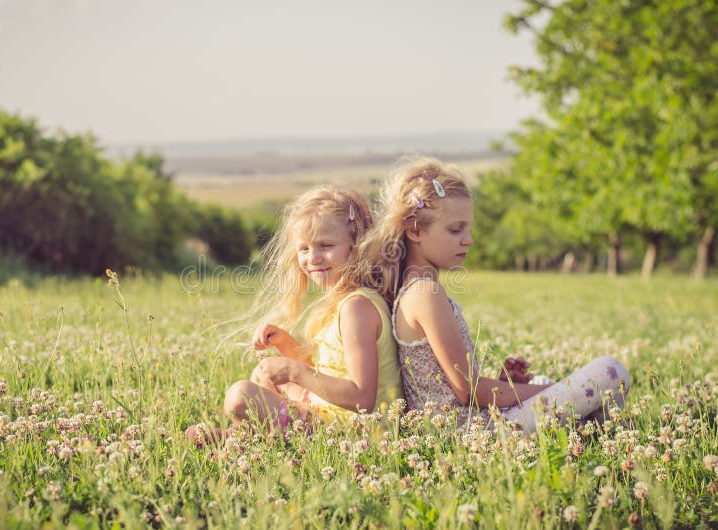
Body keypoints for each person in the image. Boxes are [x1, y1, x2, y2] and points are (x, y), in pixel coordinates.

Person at [353, 157, 630, 433]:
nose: (469, 240)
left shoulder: (418, 289)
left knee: (541, 382)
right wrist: (558, 389)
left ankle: (587, 429)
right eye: (455, 229)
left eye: (469, 228)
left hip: (468, 424)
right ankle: (597, 430)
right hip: (472, 434)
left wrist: (507, 383)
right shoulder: (425, 294)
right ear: (414, 230)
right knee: (611, 370)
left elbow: (453, 387)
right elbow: (470, 392)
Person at [187, 185, 403, 444]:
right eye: (304, 249)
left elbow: (361, 398)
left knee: (240, 394)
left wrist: (294, 371)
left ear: (356, 246)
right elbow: (331, 371)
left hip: (354, 433)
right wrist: (287, 345)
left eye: (325, 245)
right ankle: (248, 439)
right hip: (334, 418)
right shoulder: (344, 301)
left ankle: (246, 441)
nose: (313, 258)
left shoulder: (357, 308)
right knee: (263, 374)